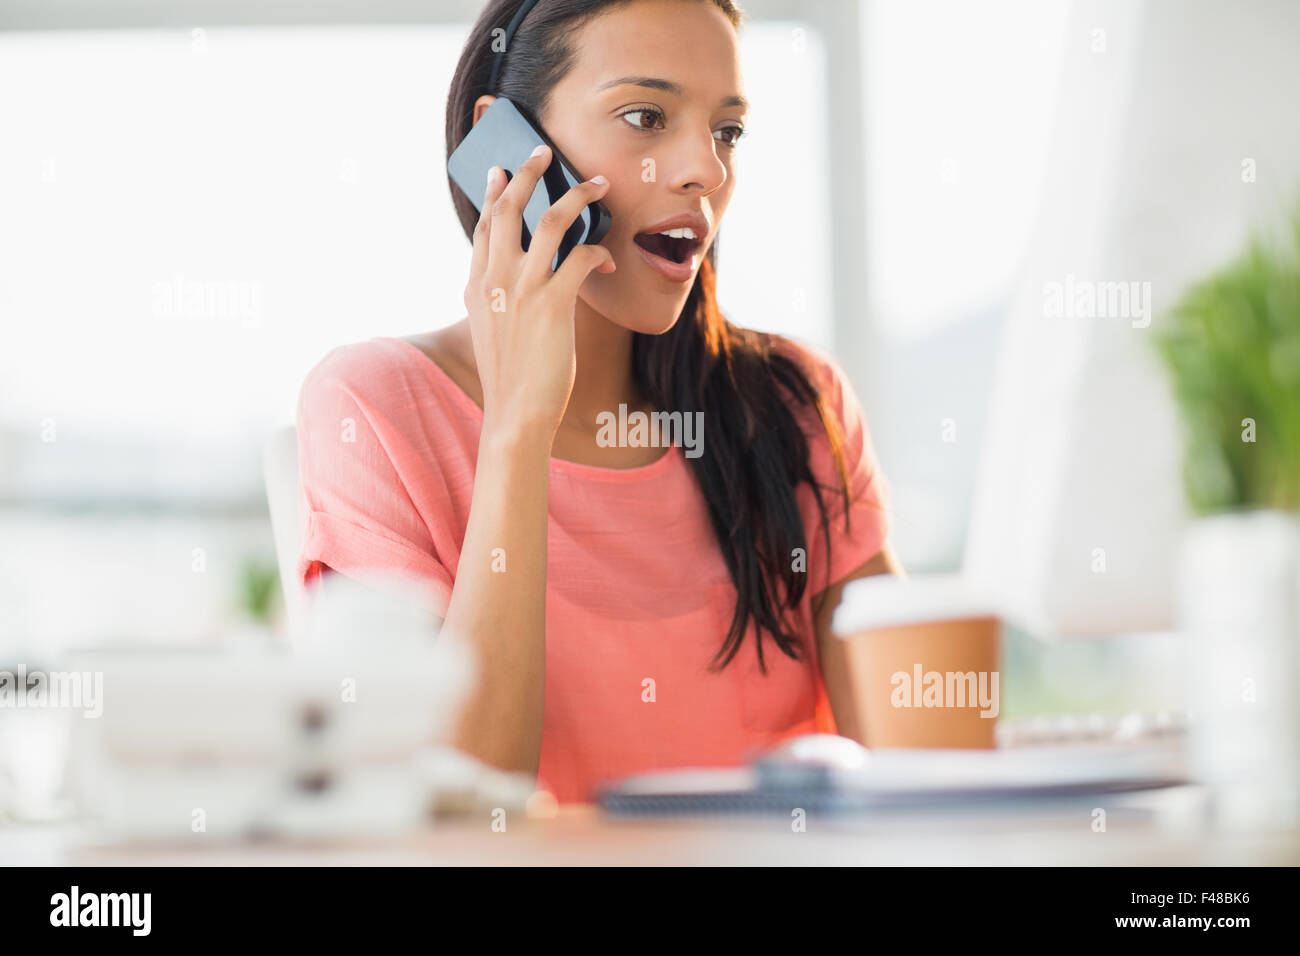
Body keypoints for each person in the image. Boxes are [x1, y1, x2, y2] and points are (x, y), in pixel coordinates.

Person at [296, 0, 902, 804]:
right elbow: (459, 808)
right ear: (505, 146)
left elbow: (918, 766)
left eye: (727, 131)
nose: (705, 171)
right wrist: (517, 429)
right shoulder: (373, 410)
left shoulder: (794, 407)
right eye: (646, 116)